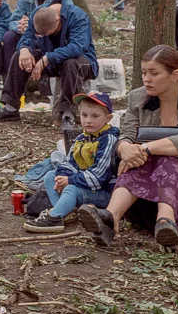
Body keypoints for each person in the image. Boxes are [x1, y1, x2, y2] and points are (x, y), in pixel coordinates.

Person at [78, 46, 178, 251]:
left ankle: (166, 221)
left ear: (174, 75)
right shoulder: (137, 98)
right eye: (144, 72)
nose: (146, 79)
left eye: (154, 73)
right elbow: (126, 134)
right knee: (135, 158)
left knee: (168, 157)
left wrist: (148, 148)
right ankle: (110, 217)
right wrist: (125, 149)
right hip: (144, 185)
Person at [0, 2, 97, 132]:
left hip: (81, 61)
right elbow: (27, 37)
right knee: (19, 57)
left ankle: (68, 114)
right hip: (49, 57)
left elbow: (77, 47)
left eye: (49, 33)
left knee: (71, 64)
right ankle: (11, 108)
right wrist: (24, 49)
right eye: (41, 35)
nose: (45, 37)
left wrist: (47, 59)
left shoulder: (78, 17)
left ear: (58, 20)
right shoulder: (37, 15)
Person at [23, 91, 119, 233]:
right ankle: (63, 213)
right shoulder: (82, 137)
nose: (88, 120)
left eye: (95, 116)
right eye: (84, 115)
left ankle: (54, 218)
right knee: (51, 176)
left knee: (71, 188)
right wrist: (62, 176)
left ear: (108, 118)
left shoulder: (109, 139)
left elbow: (98, 178)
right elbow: (69, 163)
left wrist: (70, 180)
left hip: (102, 192)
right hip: (83, 185)